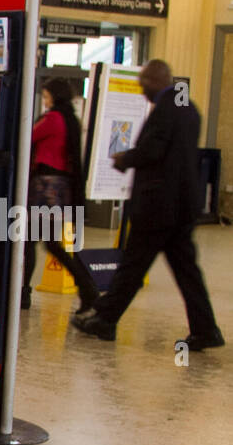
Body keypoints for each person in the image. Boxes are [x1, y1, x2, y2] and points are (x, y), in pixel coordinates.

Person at [72, 60, 224, 350]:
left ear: (156, 81)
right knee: (186, 271)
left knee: (133, 264)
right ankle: (206, 330)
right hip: (182, 206)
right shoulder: (189, 109)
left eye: (144, 86)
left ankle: (105, 319)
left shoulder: (165, 109)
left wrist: (125, 159)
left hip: (158, 206)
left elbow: (154, 150)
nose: (143, 92)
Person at [22, 78, 97, 314]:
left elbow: (27, 136)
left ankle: (24, 293)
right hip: (60, 188)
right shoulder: (69, 118)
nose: (45, 102)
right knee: (47, 244)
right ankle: (88, 291)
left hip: (46, 187)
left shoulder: (53, 119)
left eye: (46, 97)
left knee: (32, 242)